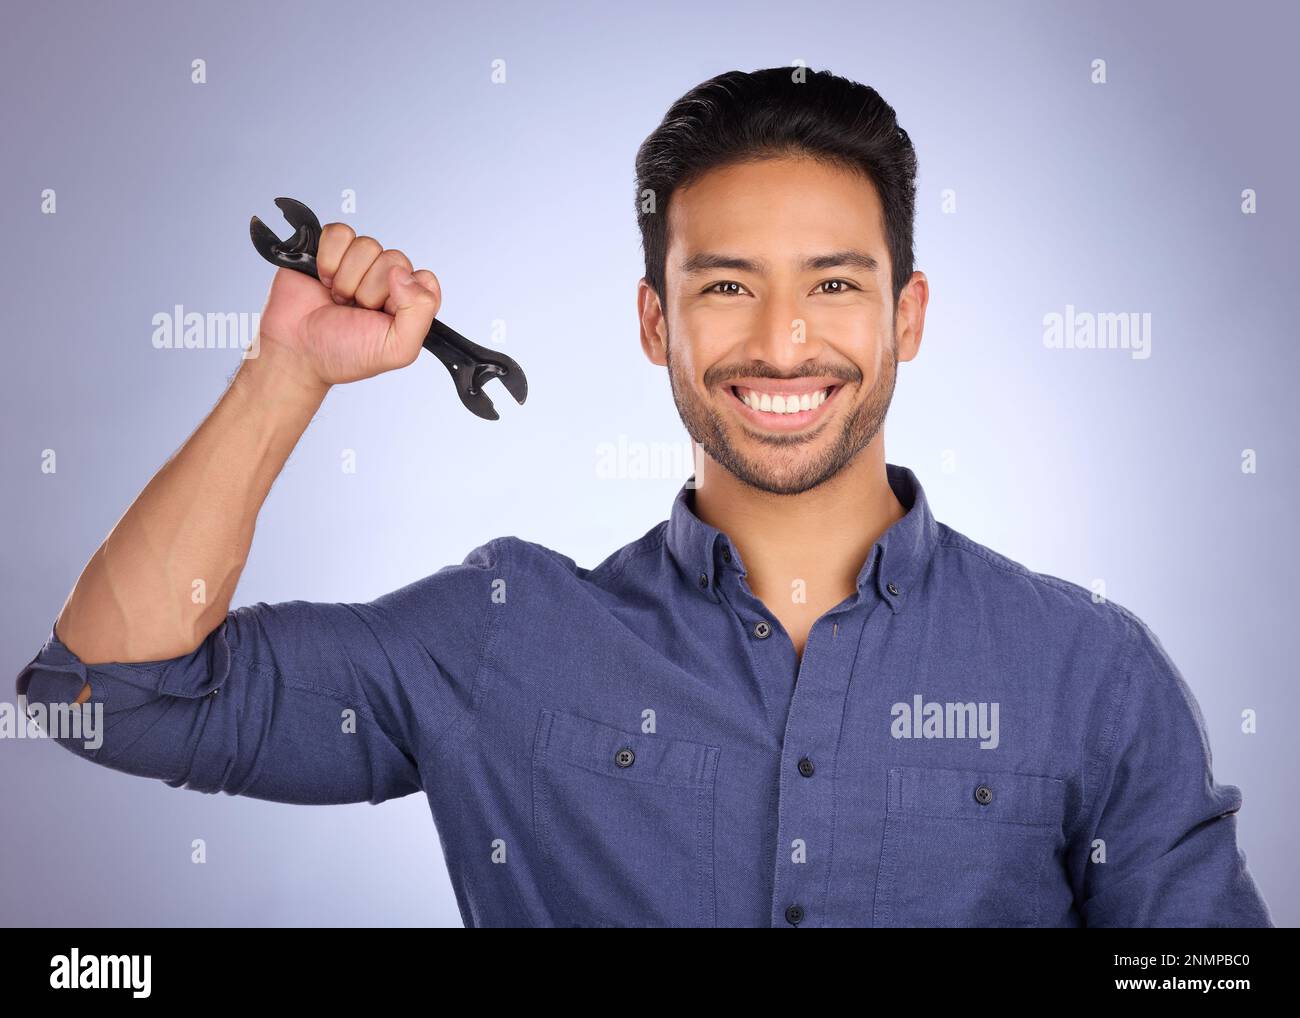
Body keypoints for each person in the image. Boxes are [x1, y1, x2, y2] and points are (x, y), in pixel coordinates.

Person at [15, 66, 1273, 928]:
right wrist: (285, 372)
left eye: (833, 285)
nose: (783, 343)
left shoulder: (1085, 670)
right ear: (652, 321)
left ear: (908, 316)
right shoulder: (503, 636)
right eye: (726, 286)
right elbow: (98, 695)